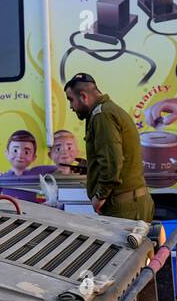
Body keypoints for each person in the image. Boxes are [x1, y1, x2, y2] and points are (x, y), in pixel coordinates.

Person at [64, 72, 153, 221]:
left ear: (84, 96)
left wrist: (100, 196)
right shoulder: (108, 110)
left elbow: (112, 162)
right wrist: (90, 167)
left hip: (123, 208)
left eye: (71, 100)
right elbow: (116, 156)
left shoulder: (102, 116)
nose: (71, 106)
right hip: (129, 204)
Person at [0, 130, 42, 202]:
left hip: (30, 211)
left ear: (34, 157)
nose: (20, 155)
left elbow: (56, 169)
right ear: (7, 153)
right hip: (8, 211)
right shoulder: (2, 178)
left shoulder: (35, 177)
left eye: (26, 152)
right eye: (15, 150)